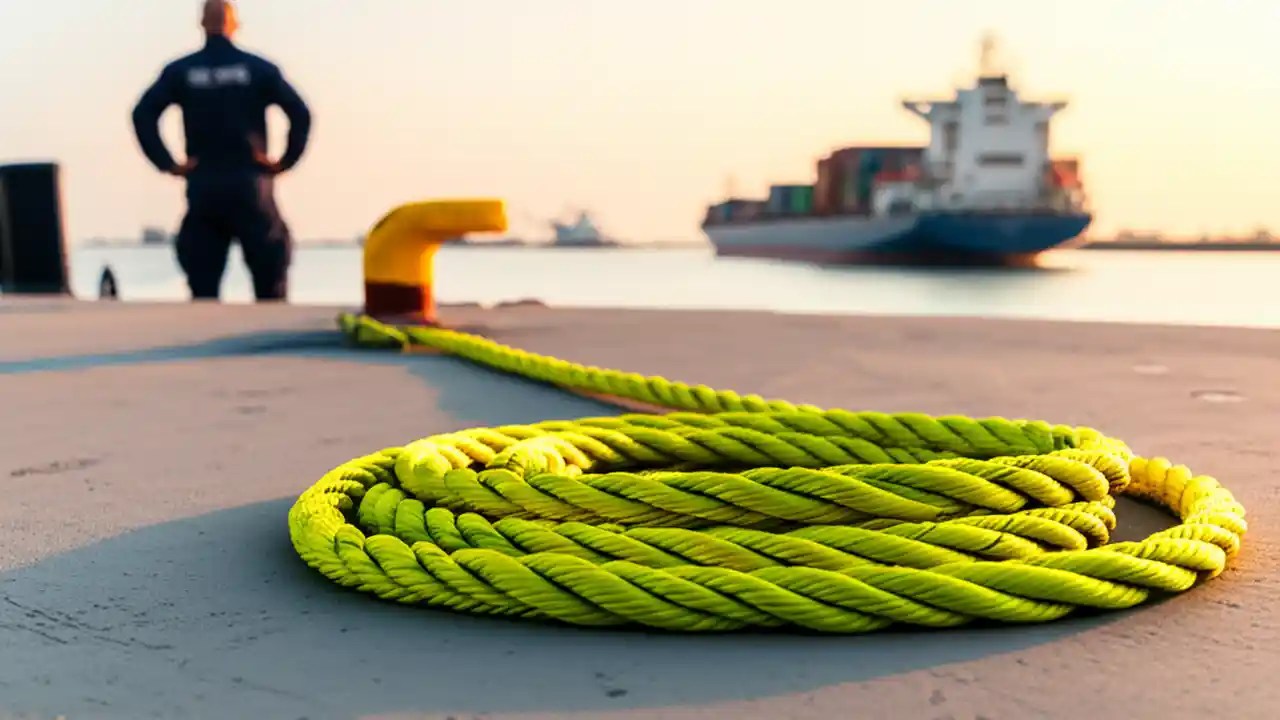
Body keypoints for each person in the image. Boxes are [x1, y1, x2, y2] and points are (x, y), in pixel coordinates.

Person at [131, 0, 311, 301]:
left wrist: (168, 163)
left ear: (202, 23)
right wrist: (284, 161)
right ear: (235, 24)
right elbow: (300, 112)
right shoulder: (258, 69)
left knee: (203, 286)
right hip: (251, 186)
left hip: (204, 185)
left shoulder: (183, 70)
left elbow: (143, 114)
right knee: (270, 280)